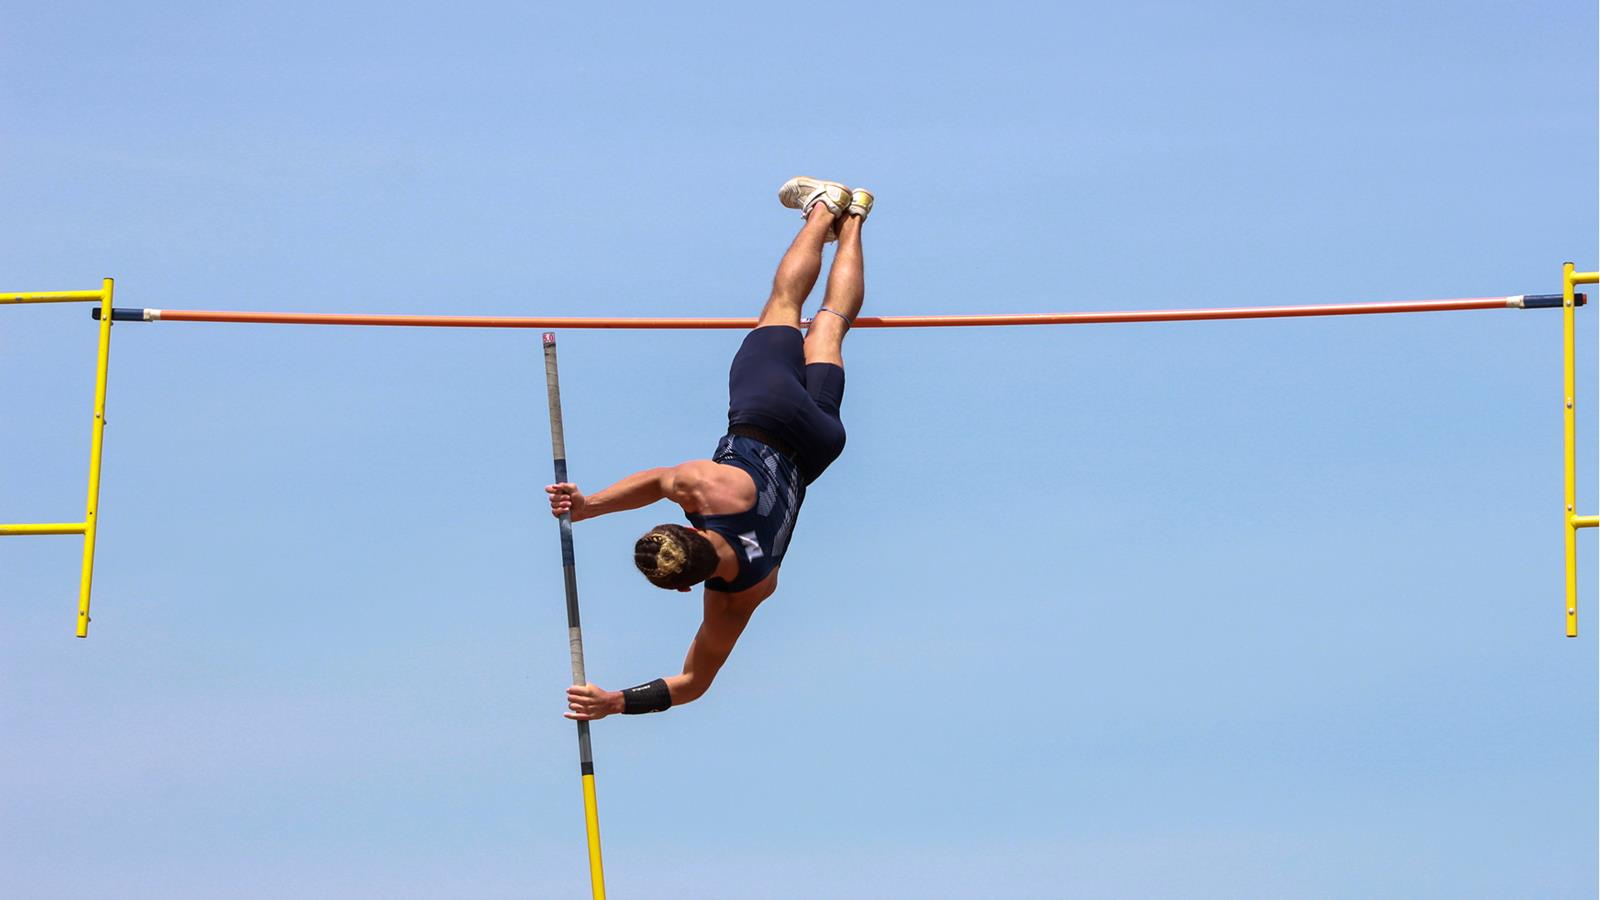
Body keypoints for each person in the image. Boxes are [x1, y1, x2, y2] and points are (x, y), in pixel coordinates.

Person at [545, 176, 872, 720]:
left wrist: (613, 703)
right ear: (686, 526)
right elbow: (656, 482)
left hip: (817, 446)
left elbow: (694, 682)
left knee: (831, 329)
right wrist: (587, 507)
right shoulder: (707, 490)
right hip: (766, 414)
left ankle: (856, 217)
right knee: (784, 305)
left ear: (686, 589)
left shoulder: (741, 594)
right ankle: (824, 211)